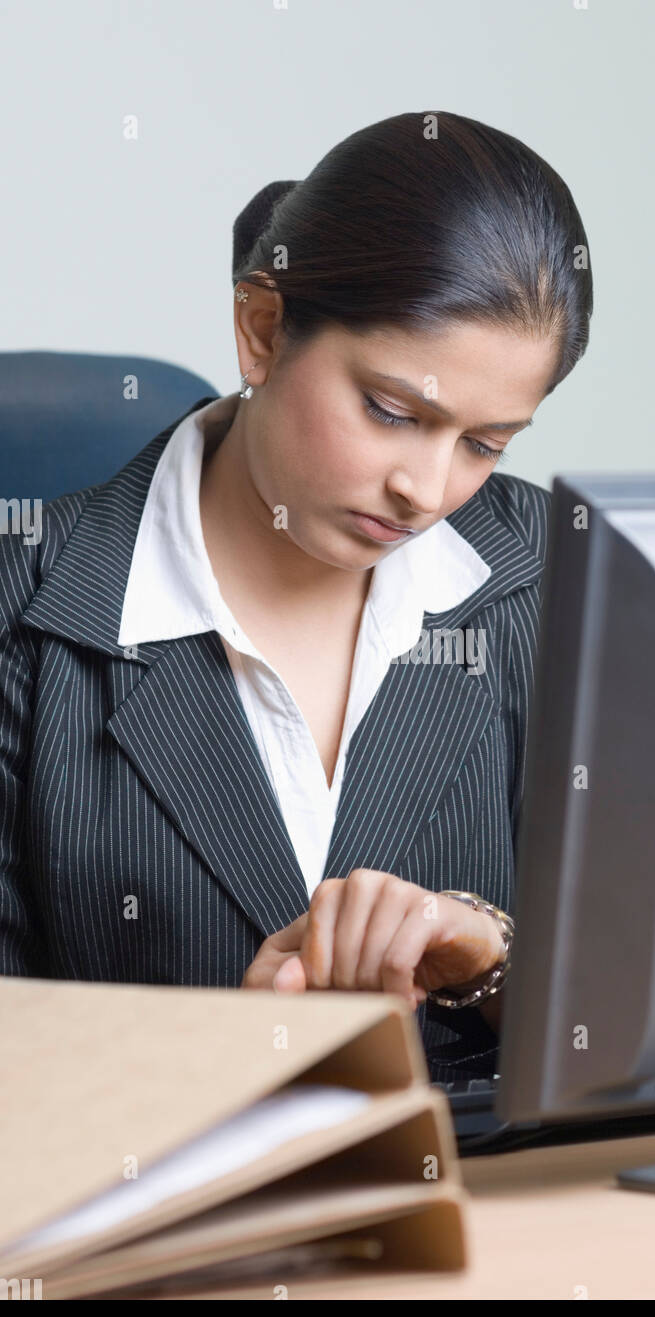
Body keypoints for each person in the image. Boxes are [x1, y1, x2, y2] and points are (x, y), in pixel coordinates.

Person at [0, 110, 593, 1082]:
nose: (427, 489)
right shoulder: (25, 628)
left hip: (519, 1216)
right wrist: (230, 1062)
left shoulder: (557, 578)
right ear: (263, 328)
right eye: (393, 412)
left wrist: (489, 965)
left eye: (485, 444)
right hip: (165, 1229)